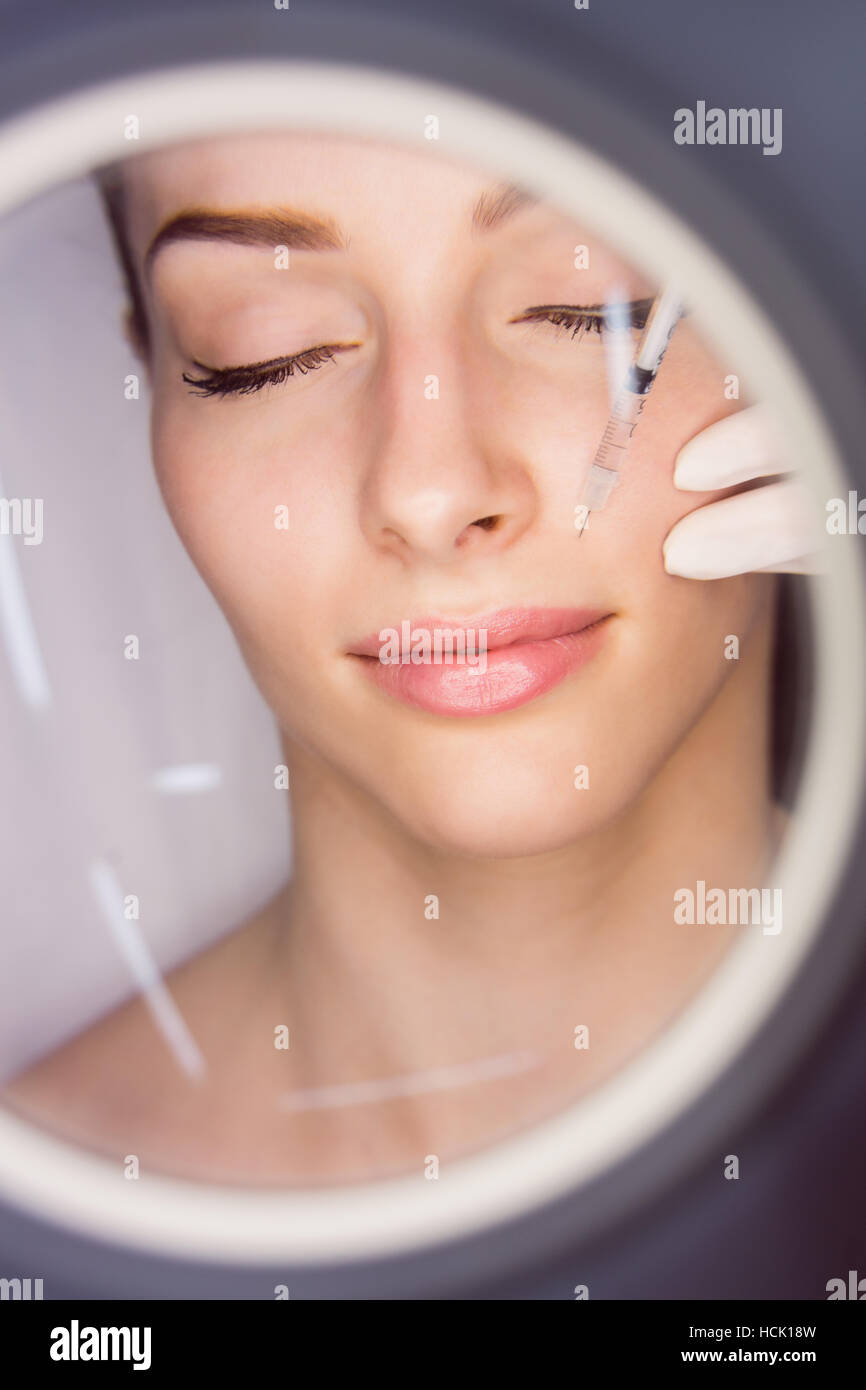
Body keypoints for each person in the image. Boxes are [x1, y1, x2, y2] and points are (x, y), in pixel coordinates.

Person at [2, 131, 817, 1186]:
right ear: (151, 376)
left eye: (584, 305)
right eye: (264, 351)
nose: (428, 491)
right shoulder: (48, 1209)